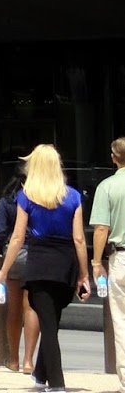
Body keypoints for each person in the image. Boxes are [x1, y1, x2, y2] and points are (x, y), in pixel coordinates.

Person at [0, 144, 90, 392]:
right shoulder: (74, 197)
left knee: (49, 323)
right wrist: (84, 274)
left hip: (39, 262)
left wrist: (3, 271)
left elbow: (17, 239)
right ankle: (39, 373)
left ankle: (56, 382)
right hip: (65, 262)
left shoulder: (26, 197)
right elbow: (79, 239)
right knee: (51, 320)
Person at [0, 173, 40, 374]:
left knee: (14, 309)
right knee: (31, 308)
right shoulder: (42, 199)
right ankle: (28, 361)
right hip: (38, 255)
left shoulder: (7, 202)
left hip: (15, 256)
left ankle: (13, 359)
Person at [90, 135, 125, 390]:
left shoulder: (107, 187)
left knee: (122, 321)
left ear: (114, 158)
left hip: (121, 257)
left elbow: (101, 228)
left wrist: (95, 262)